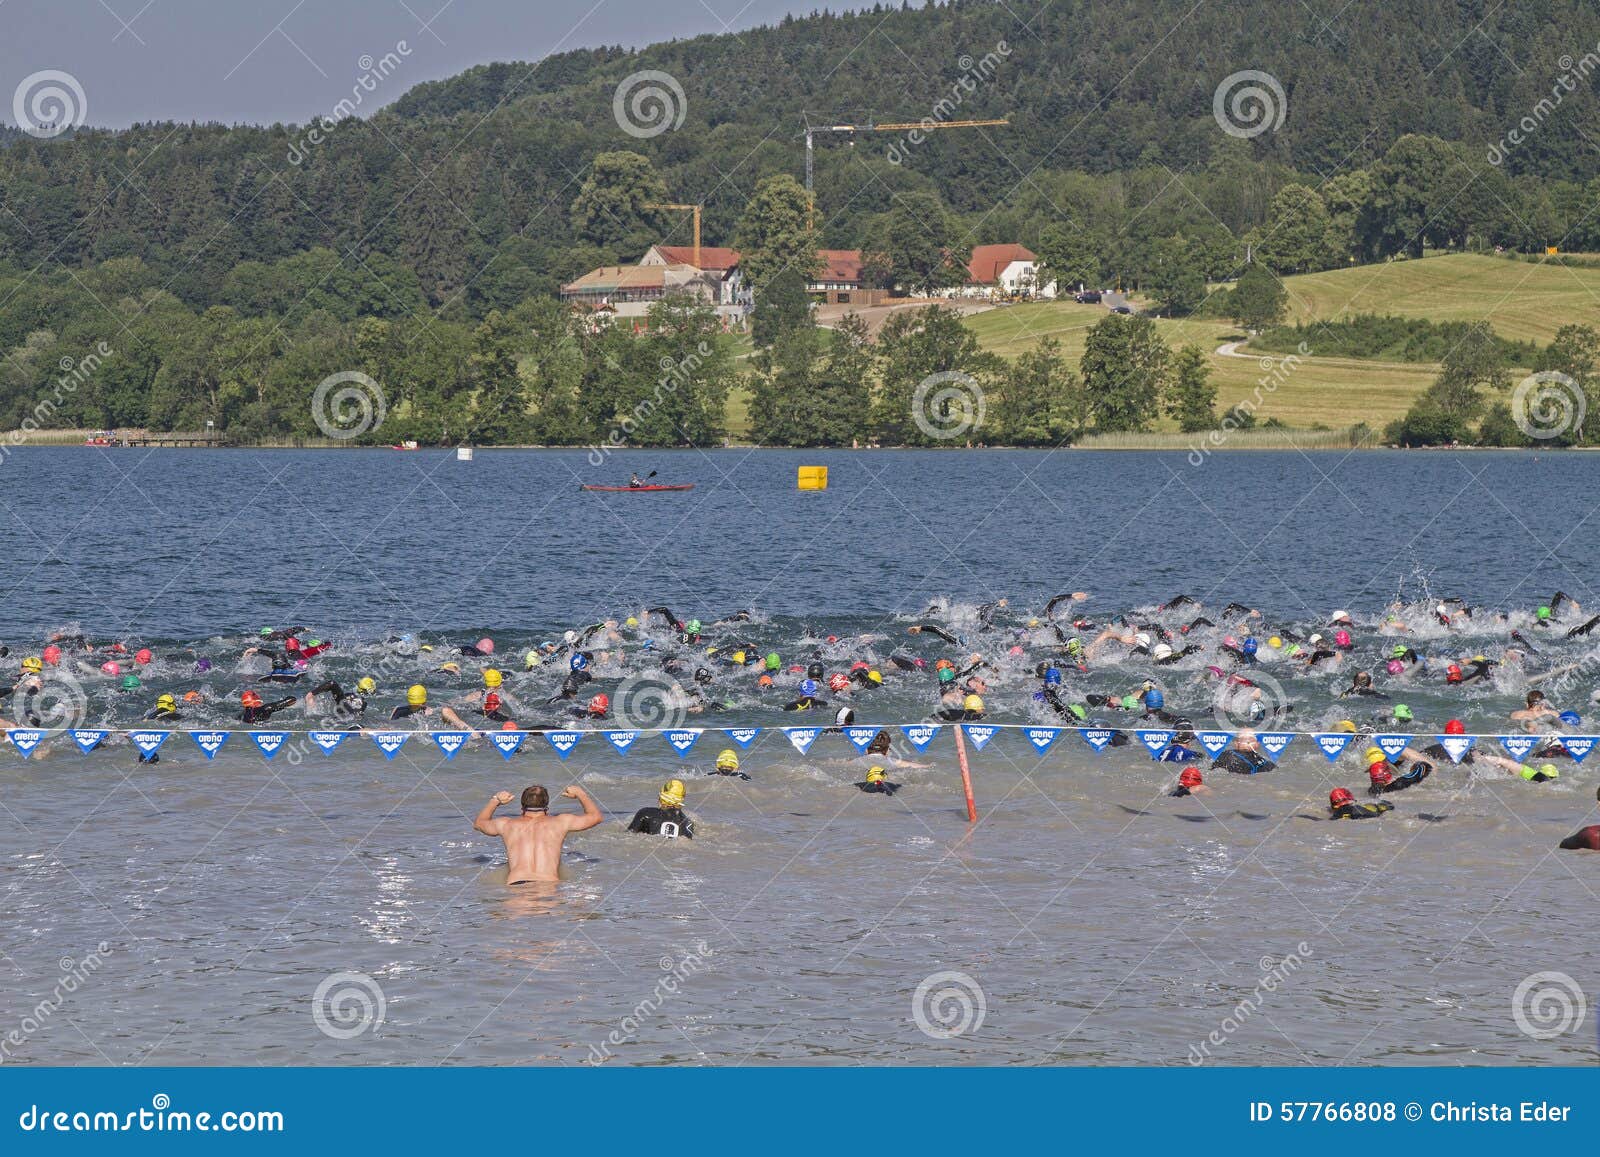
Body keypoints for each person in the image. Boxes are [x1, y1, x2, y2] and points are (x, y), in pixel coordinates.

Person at [473, 784, 604, 884]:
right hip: (548, 886)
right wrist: (581, 794)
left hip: (517, 886)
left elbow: (479, 823)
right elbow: (596, 817)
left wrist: (495, 800)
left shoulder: (506, 824)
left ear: (522, 807)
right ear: (547, 807)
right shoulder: (561, 822)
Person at [628, 779, 694, 838]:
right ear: (681, 800)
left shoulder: (646, 813)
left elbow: (629, 835)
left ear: (661, 797)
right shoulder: (688, 823)